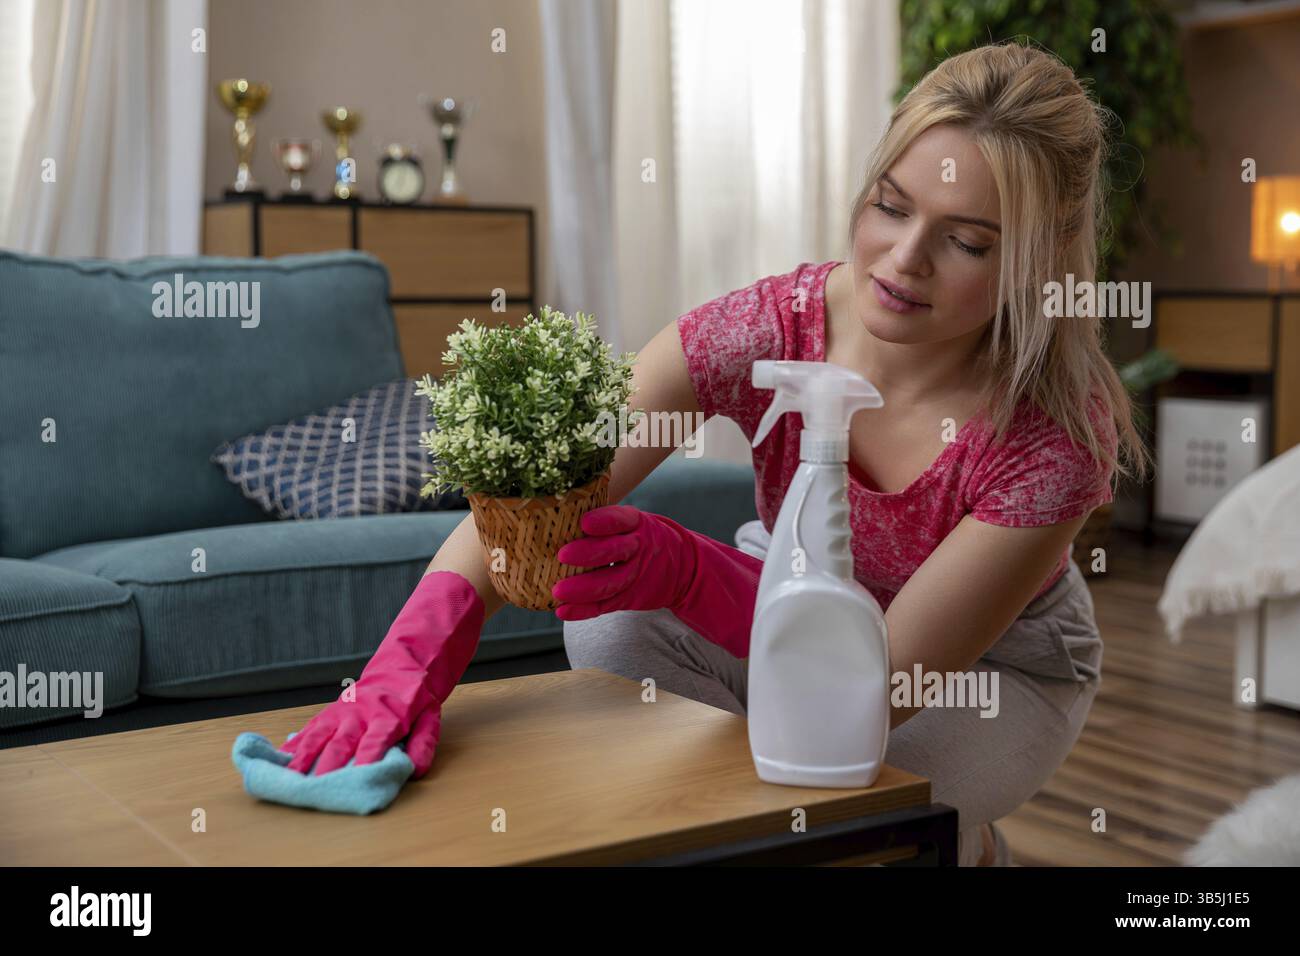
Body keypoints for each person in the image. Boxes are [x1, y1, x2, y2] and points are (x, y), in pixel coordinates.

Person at [281, 40, 1151, 867]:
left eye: (966, 242)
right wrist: (404, 665)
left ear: (1035, 264)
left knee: (860, 804)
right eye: (890, 205)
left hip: (986, 672)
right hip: (784, 591)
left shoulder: (1054, 435)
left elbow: (871, 686)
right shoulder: (766, 329)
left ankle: (966, 850)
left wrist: (695, 575)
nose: (903, 258)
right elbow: (544, 492)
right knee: (614, 614)